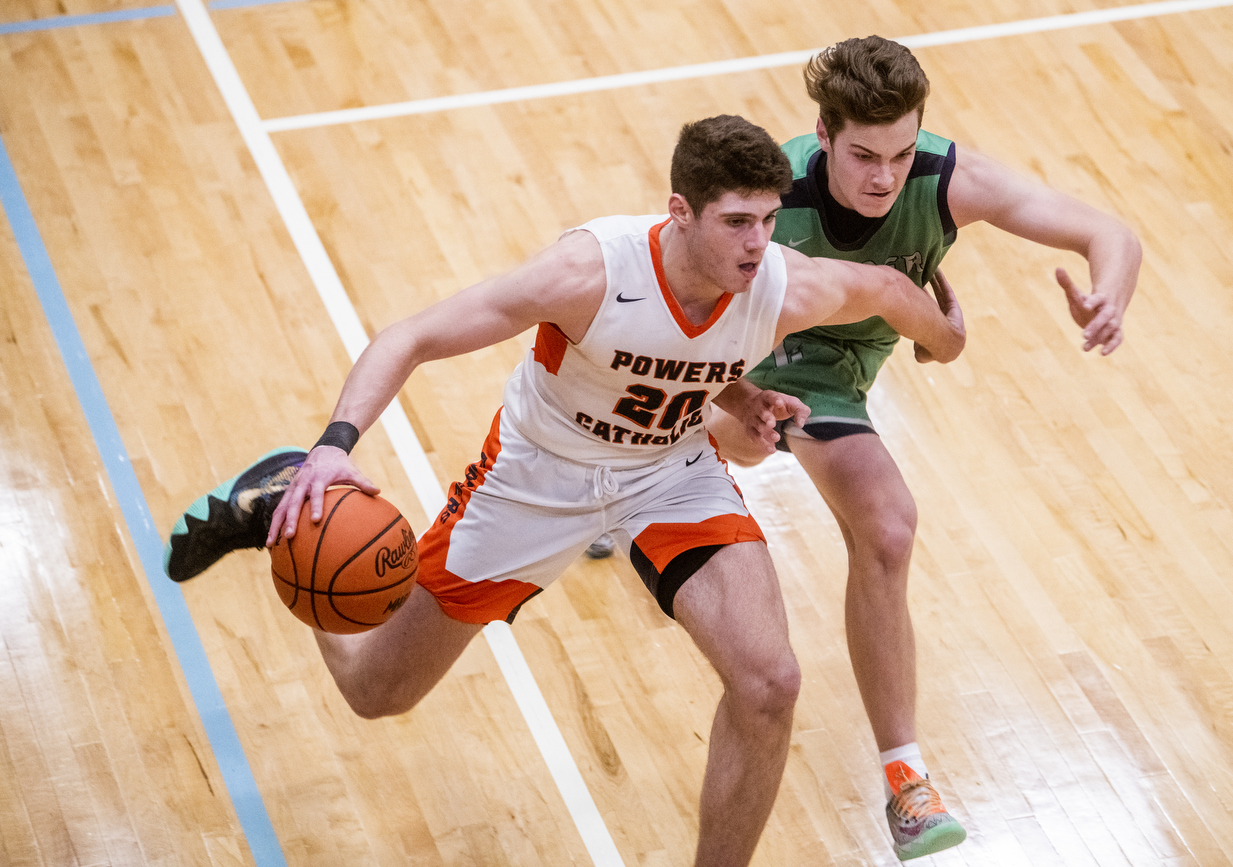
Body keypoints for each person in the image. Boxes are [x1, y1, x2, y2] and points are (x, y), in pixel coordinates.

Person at [163, 114, 965, 867]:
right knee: (376, 691)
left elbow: (891, 294)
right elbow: (410, 337)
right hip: (534, 482)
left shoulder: (784, 286)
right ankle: (284, 511)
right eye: (735, 223)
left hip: (668, 478)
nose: (760, 243)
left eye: (768, 218)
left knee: (770, 683)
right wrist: (334, 446)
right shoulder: (589, 272)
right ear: (680, 212)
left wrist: (944, 340)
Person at [708, 37, 1142, 862]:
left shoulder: (948, 180)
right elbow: (680, 288)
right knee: (737, 437)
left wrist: (1108, 297)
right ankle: (656, 454)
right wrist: (943, 341)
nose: (883, 177)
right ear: (823, 135)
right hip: (742, 344)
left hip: (832, 369)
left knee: (887, 527)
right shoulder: (766, 193)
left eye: (901, 154)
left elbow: (1105, 229)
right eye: (863, 154)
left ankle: (905, 778)